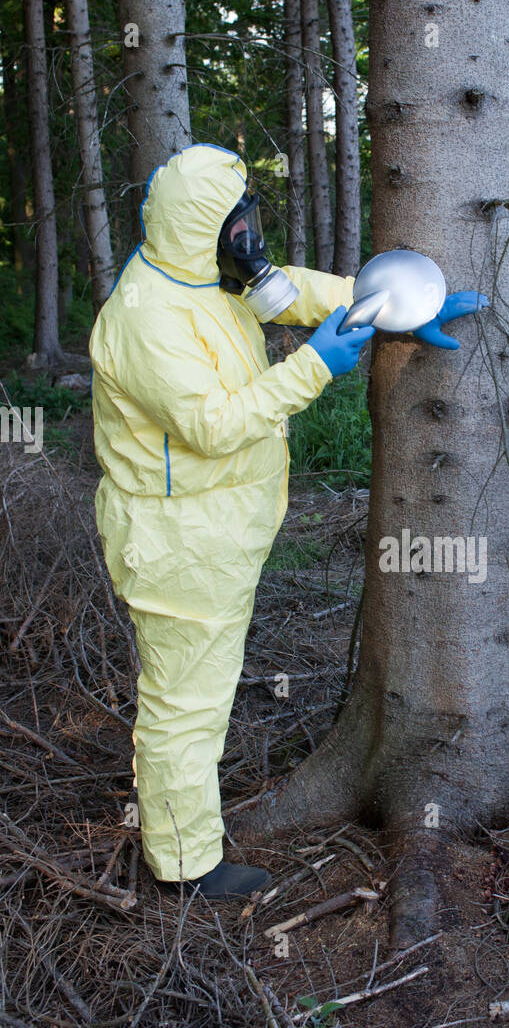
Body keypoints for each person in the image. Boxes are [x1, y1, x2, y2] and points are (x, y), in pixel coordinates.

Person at [90, 144, 481, 898]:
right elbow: (212, 424)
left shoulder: (203, 275)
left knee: (191, 691)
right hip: (178, 544)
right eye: (238, 226)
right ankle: (182, 867)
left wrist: (398, 308)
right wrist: (315, 366)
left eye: (250, 219)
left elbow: (290, 291)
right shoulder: (146, 316)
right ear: (200, 229)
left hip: (213, 534)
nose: (252, 239)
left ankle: (171, 824)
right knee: (186, 703)